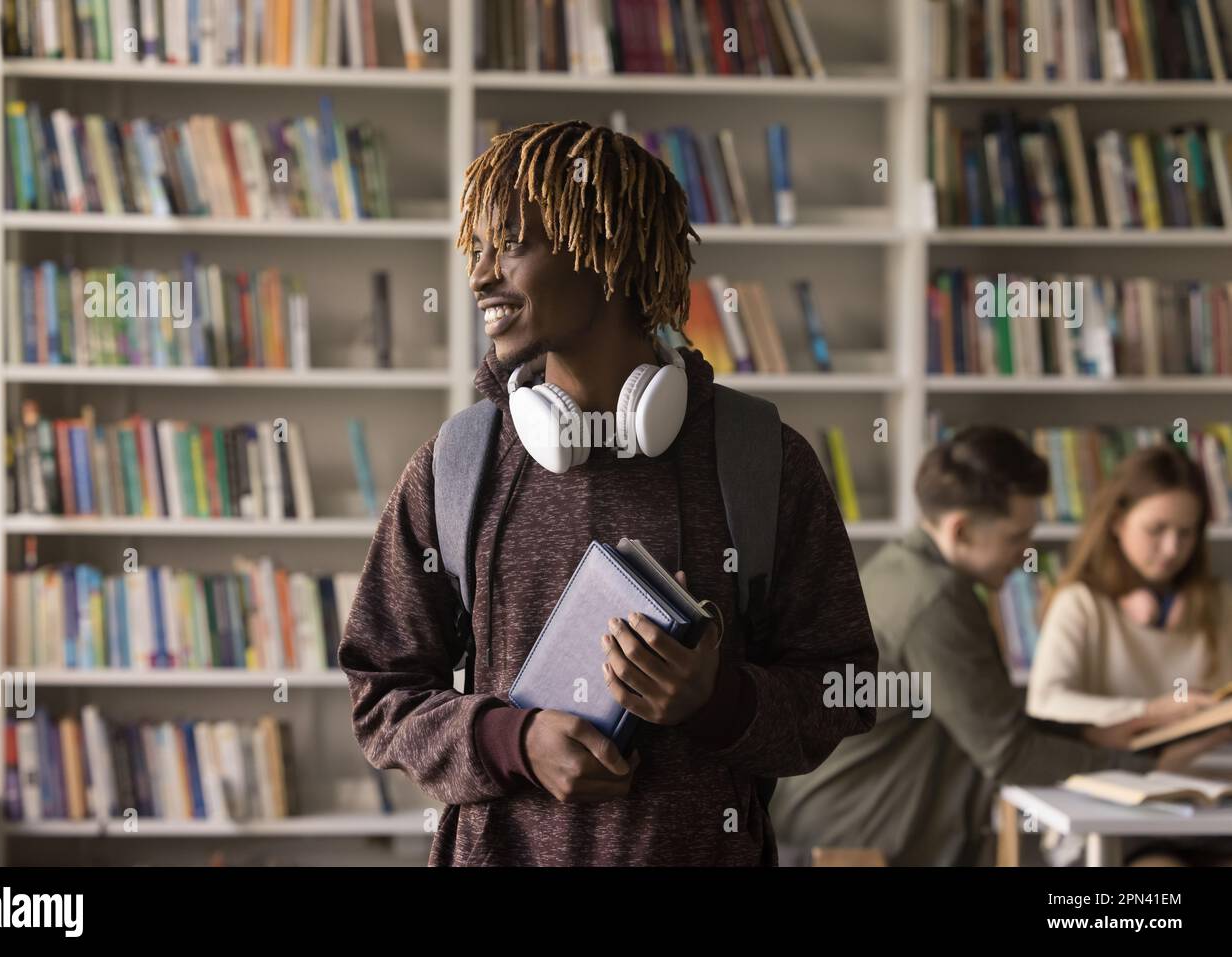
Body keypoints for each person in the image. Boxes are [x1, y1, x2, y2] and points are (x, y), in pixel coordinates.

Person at [337, 120, 878, 866]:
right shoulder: (455, 466)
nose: (479, 276)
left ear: (609, 255)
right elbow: (379, 692)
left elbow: (845, 688)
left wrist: (716, 701)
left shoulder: (763, 461)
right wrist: (514, 740)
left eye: (513, 245)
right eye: (478, 250)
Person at [769, 426, 1229, 866]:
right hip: (854, 845)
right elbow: (1010, 755)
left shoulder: (902, 570)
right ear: (961, 530)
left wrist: (1092, 734)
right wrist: (1146, 762)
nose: (1025, 553)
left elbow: (990, 715)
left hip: (838, 826)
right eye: (1017, 538)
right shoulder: (935, 602)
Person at [1027, 445, 1232, 866]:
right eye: (1156, 529)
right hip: (1117, 811)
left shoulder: (1219, 603)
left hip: (1213, 803)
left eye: (1187, 532)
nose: (1172, 548)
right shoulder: (1081, 603)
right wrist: (1153, 711)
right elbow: (1044, 704)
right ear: (1118, 523)